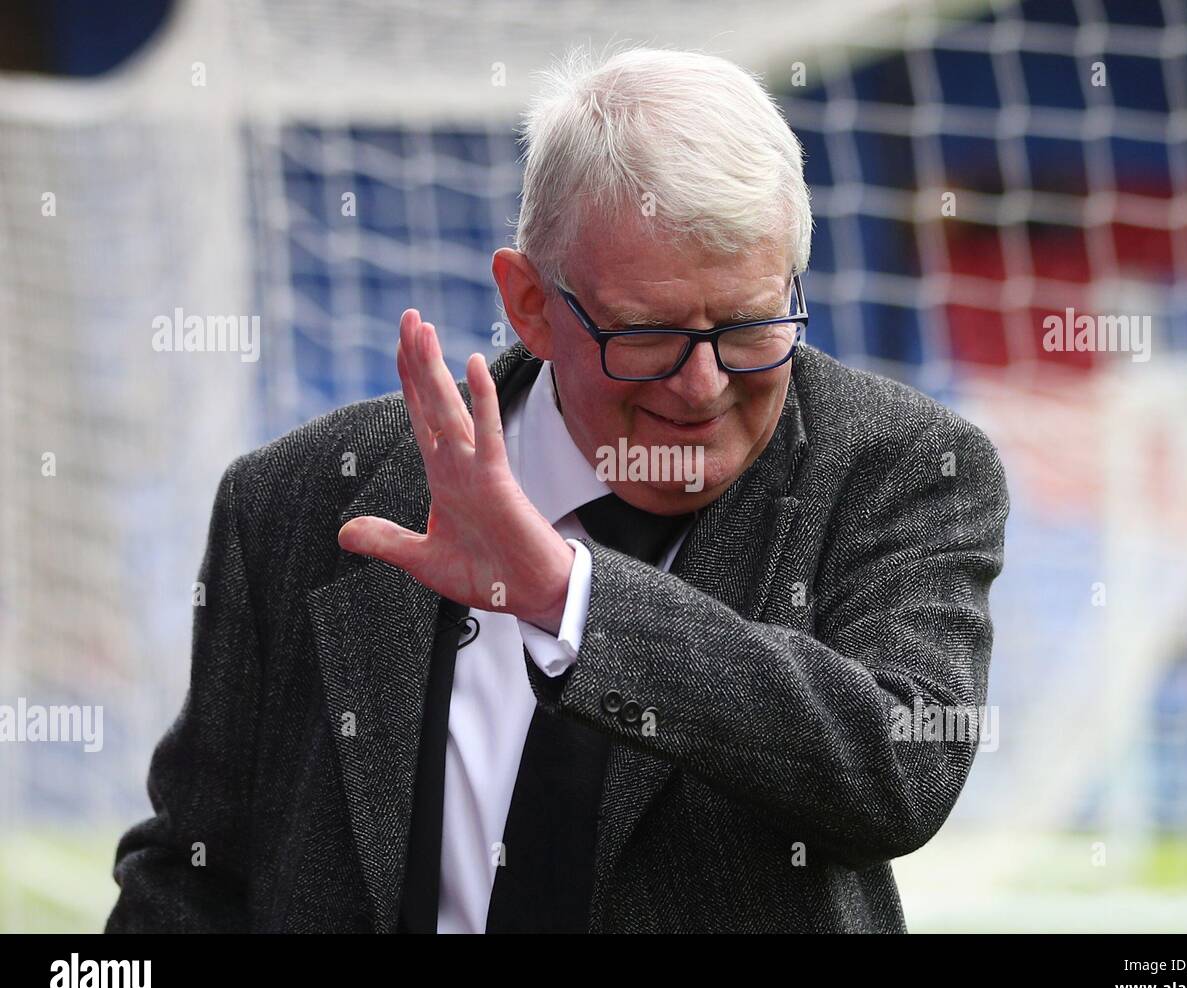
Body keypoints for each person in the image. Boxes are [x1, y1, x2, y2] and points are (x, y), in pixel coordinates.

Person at [106, 46, 1009, 933]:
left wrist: (567, 598)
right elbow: (192, 876)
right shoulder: (298, 498)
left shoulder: (905, 464)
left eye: (748, 325)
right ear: (530, 302)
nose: (703, 386)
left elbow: (901, 766)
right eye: (648, 334)